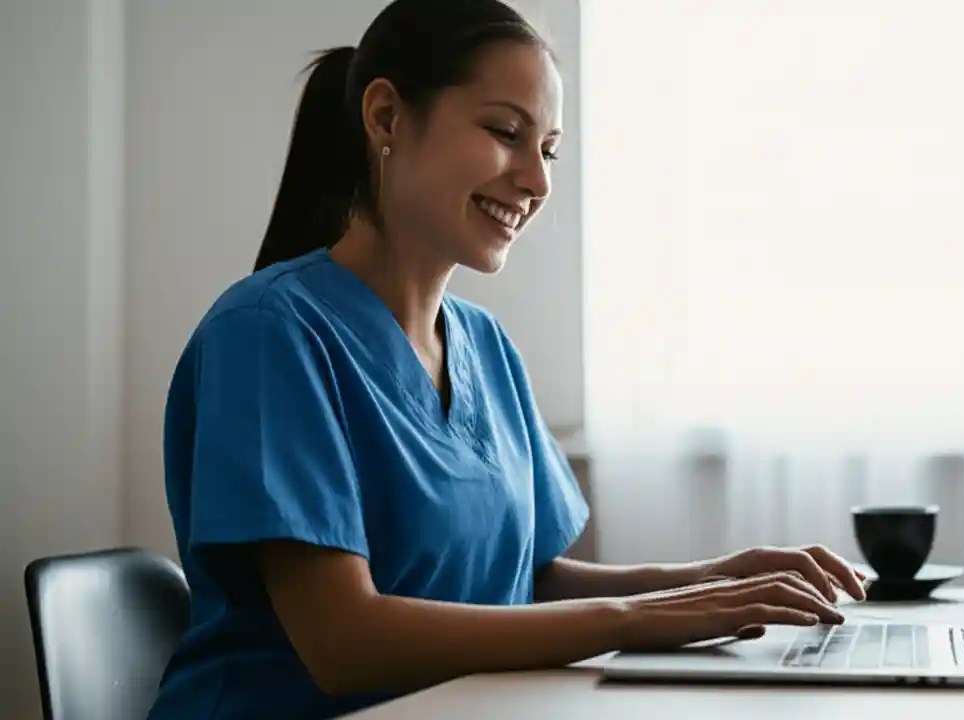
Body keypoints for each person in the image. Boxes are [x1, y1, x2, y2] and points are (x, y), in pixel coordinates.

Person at [148, 2, 865, 718]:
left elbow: (527, 579)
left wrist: (710, 580)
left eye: (548, 149)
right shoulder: (269, 332)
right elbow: (343, 641)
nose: (537, 181)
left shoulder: (484, 345)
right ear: (387, 118)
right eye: (504, 132)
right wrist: (634, 620)